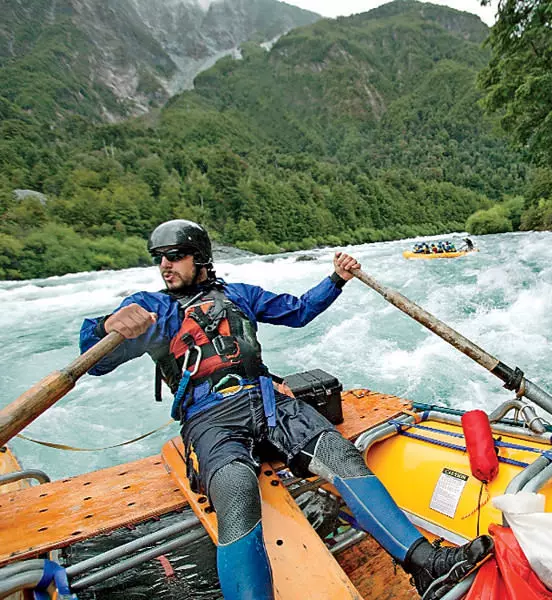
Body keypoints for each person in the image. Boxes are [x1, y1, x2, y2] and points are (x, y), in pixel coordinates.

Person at [80, 219, 493, 600]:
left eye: (174, 256)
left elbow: (297, 311)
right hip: (208, 417)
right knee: (236, 491)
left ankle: (426, 565)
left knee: (339, 454)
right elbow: (95, 359)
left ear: (200, 258)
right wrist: (106, 326)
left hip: (266, 398)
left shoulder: (238, 295)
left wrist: (337, 279)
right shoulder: (152, 309)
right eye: (159, 258)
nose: (165, 266)